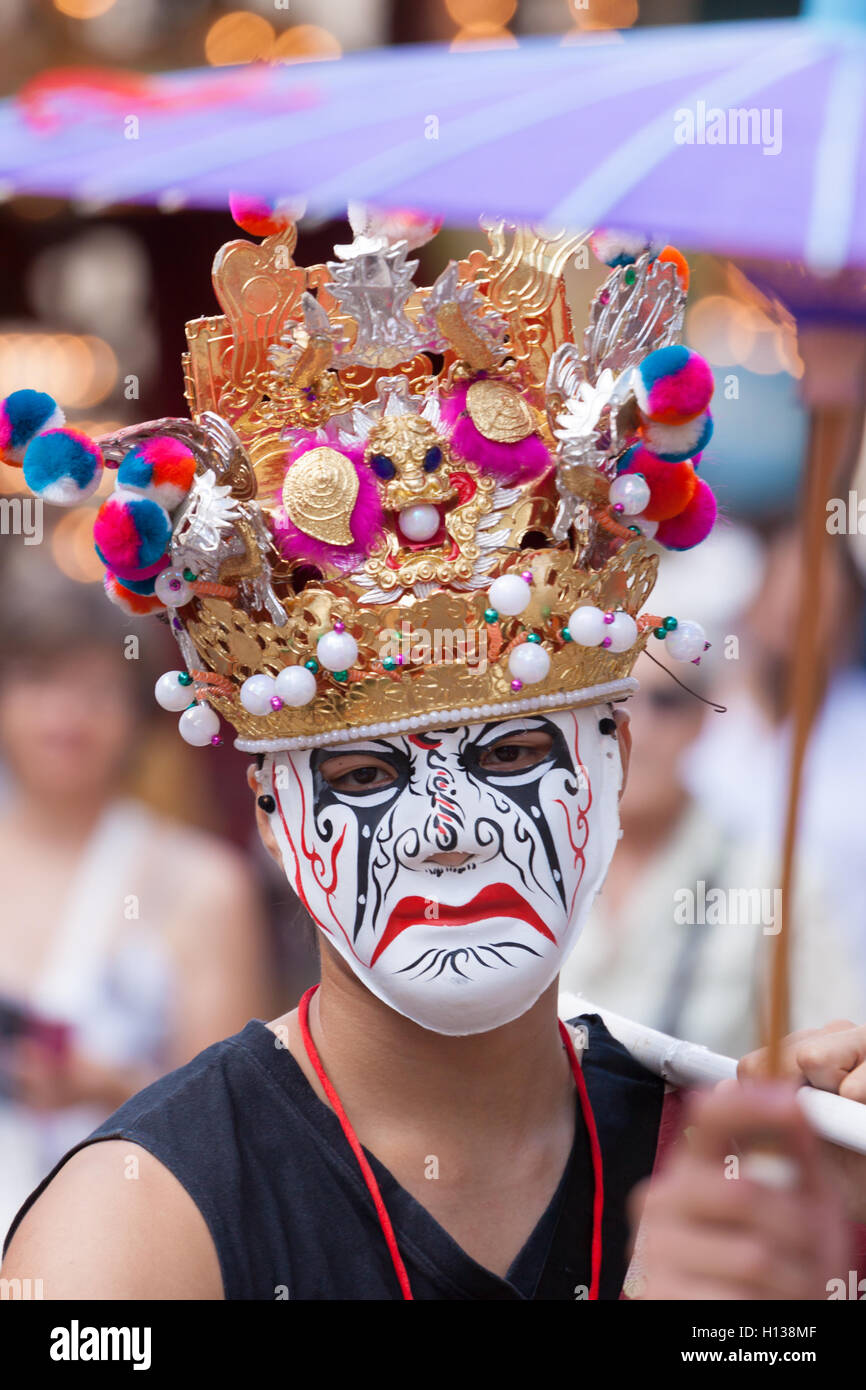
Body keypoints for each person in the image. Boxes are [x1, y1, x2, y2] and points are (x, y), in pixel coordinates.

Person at [1, 212, 863, 1300]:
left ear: (615, 760)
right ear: (270, 811)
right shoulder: (134, 1234)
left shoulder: (737, 1177)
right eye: (362, 777)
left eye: (508, 753)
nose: (447, 829)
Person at [0, 546, 274, 1238]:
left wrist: (109, 1087)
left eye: (95, 690)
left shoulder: (204, 884)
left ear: (135, 712)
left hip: (124, 1248)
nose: (66, 716)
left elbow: (232, 1128)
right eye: (39, 683)